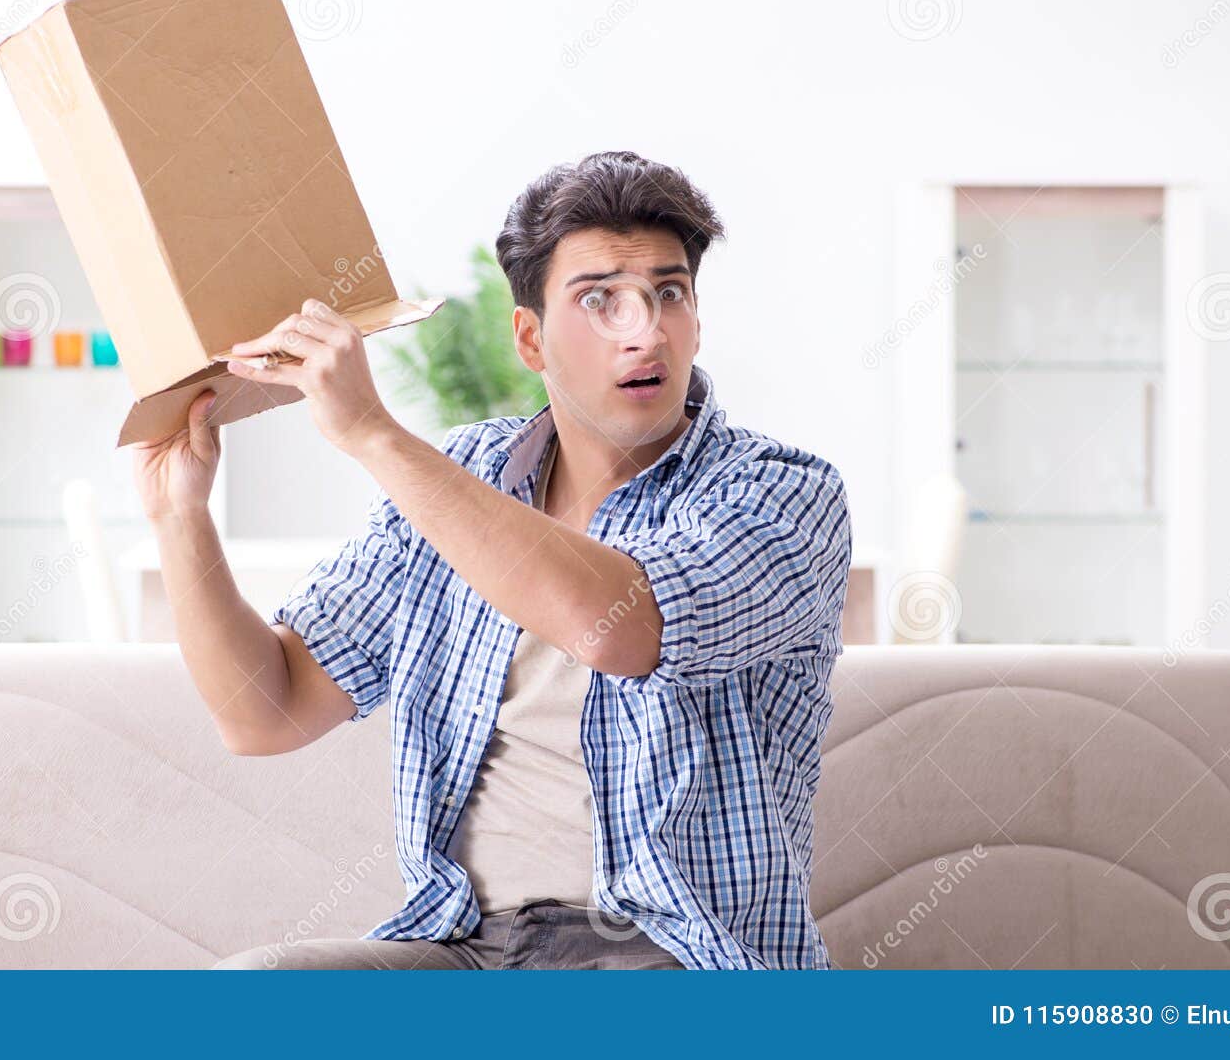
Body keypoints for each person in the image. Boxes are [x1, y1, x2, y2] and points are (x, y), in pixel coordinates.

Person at [131, 151, 853, 970]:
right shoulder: (461, 476)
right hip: (462, 951)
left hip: (675, 960)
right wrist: (179, 512)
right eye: (599, 300)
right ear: (530, 339)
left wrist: (373, 431)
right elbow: (267, 712)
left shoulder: (782, 494)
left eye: (669, 293)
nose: (645, 329)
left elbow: (615, 627)